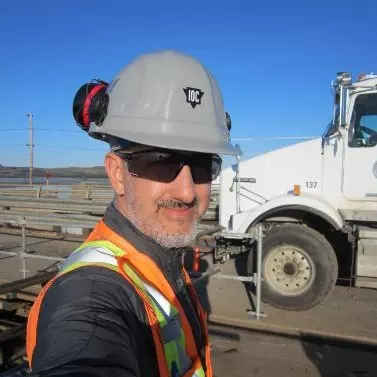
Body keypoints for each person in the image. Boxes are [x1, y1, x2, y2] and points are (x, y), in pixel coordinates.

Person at [26, 50, 240, 377]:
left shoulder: (163, 257)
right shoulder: (92, 288)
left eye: (201, 166)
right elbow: (83, 344)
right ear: (116, 174)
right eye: (161, 162)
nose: (186, 192)